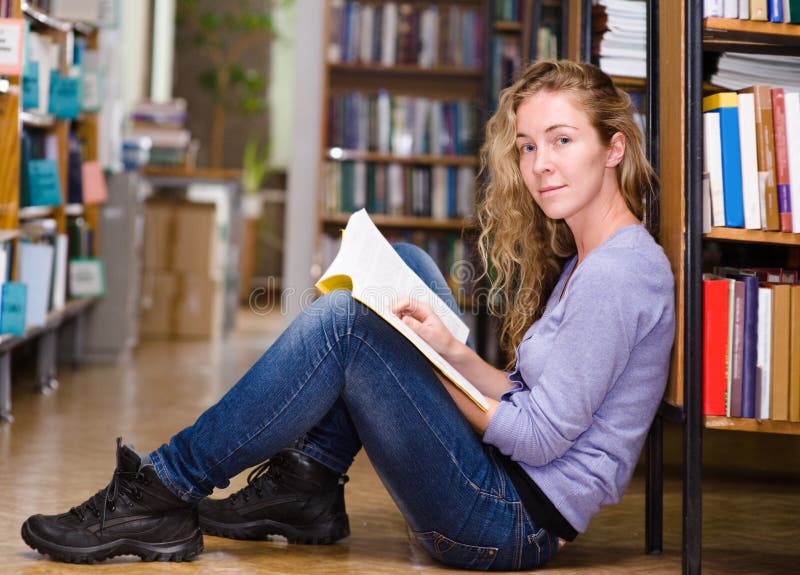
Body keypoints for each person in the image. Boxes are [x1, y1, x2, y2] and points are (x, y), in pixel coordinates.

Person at [21, 60, 675, 571]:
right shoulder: (596, 253)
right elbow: (532, 394)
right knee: (410, 264)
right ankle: (306, 485)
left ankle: (161, 492)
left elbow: (537, 436)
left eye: (562, 140)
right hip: (506, 483)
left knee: (348, 324)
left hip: (507, 521)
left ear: (613, 148)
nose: (540, 166)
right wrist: (449, 348)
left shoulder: (618, 272)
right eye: (528, 146)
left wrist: (417, 358)